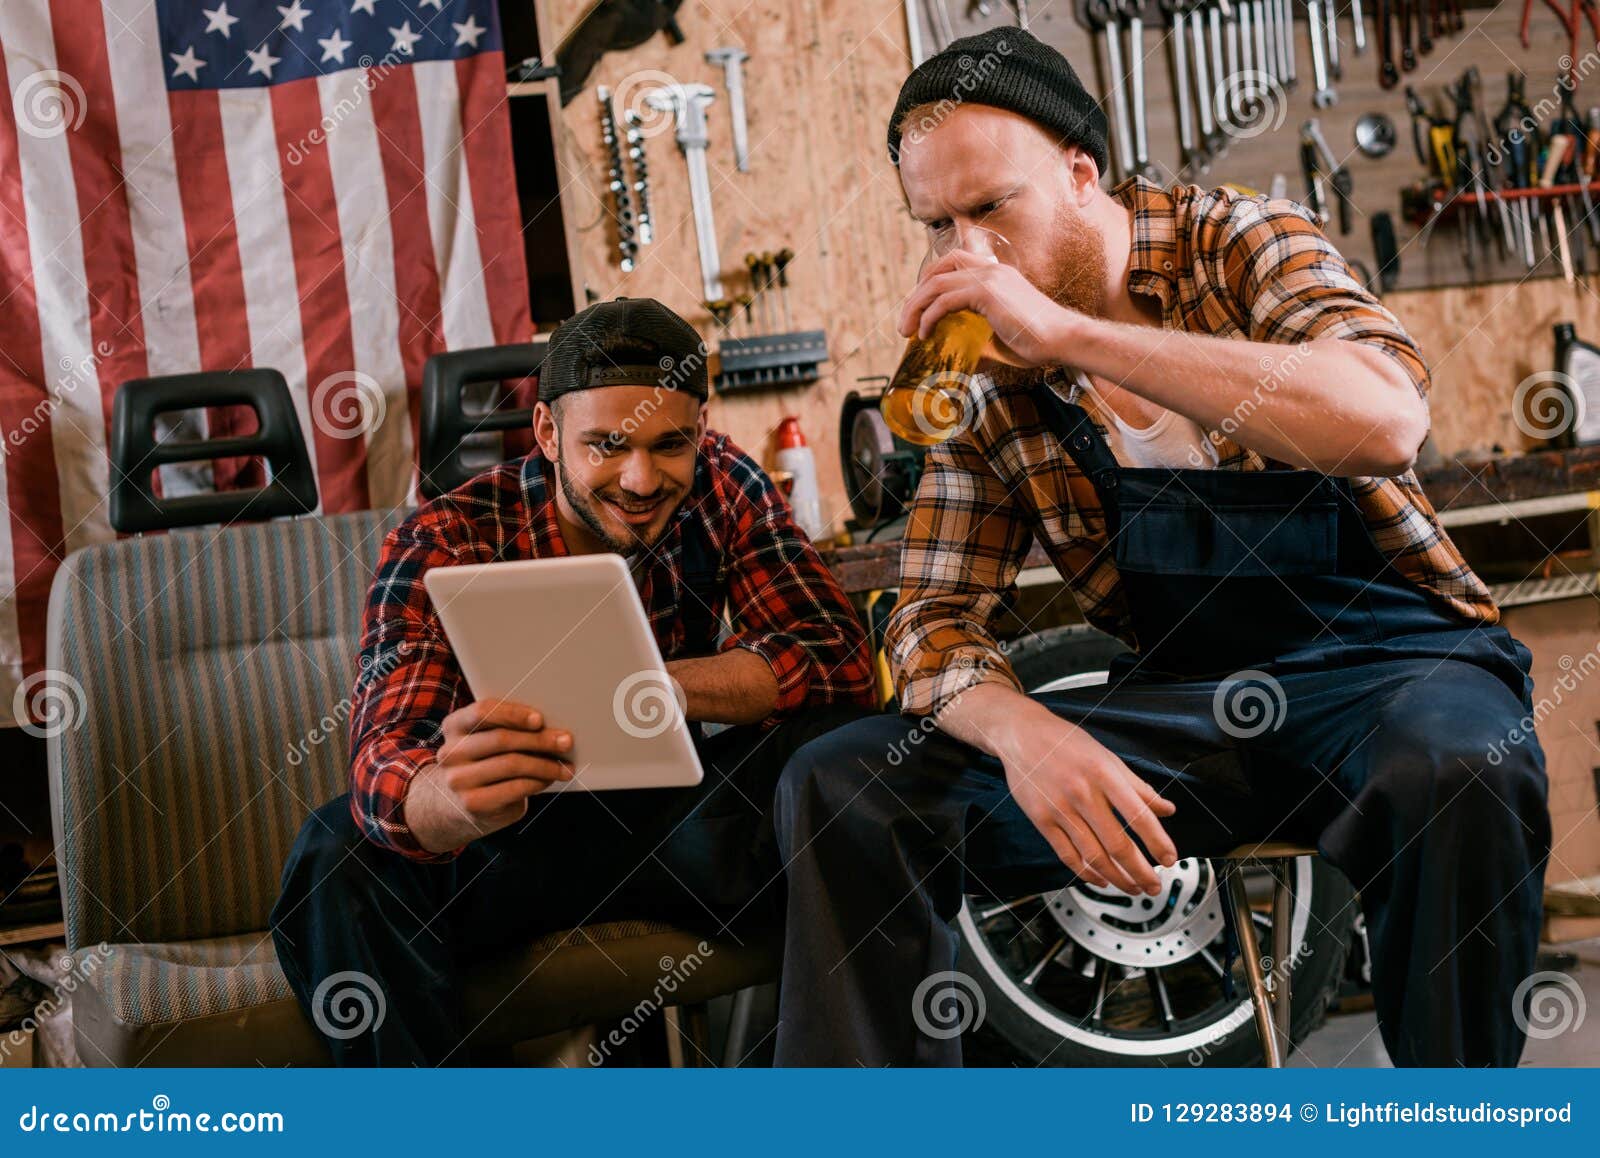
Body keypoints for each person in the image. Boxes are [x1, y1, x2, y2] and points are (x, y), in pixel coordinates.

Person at [772, 29, 1549, 1067]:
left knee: (1459, 766)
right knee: (843, 786)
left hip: (1393, 671)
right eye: (939, 224)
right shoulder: (983, 375)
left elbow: (1381, 418)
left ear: (1081, 173)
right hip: (1194, 709)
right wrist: (1020, 733)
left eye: (991, 208)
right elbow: (927, 616)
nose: (969, 254)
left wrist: (1072, 335)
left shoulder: (1239, 241)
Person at [271, 298, 877, 1065]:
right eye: (607, 446)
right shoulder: (449, 534)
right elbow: (382, 761)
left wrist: (661, 686)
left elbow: (837, 655)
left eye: (671, 444)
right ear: (549, 435)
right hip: (510, 847)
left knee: (844, 750)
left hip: (679, 832)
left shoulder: (722, 480)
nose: (642, 477)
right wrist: (449, 799)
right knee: (335, 854)